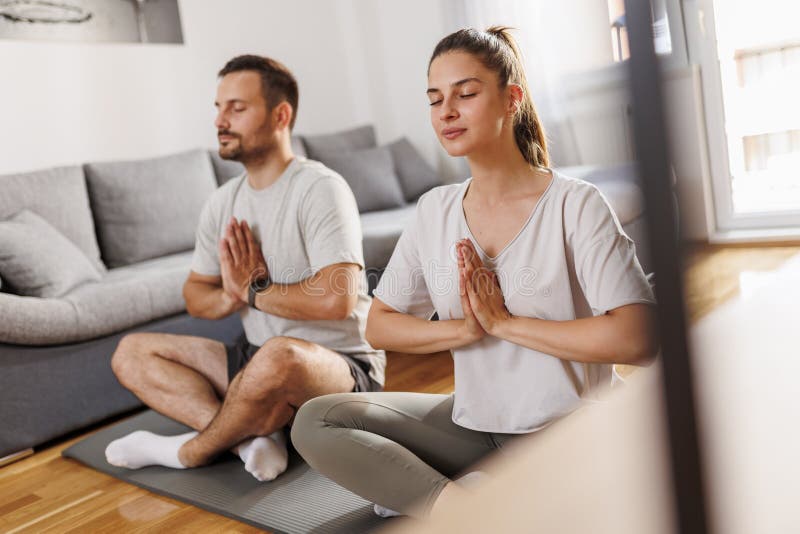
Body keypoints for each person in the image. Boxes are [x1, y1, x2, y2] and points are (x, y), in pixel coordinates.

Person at [291, 27, 657, 518]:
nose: (446, 111)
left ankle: (460, 496)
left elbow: (637, 336)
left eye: (465, 93)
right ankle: (467, 509)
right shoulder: (434, 210)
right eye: (434, 99)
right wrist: (463, 329)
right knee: (317, 421)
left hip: (569, 431)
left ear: (512, 100)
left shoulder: (576, 204)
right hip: (477, 423)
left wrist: (506, 324)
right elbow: (379, 324)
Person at [105, 55, 385, 482]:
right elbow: (194, 293)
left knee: (281, 353)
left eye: (237, 108)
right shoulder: (222, 202)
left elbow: (337, 298)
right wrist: (230, 296)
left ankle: (188, 452)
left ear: (280, 115)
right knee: (132, 352)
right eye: (218, 108)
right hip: (253, 359)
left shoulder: (320, 188)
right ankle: (247, 440)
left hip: (341, 368)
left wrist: (256, 290)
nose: (221, 120)